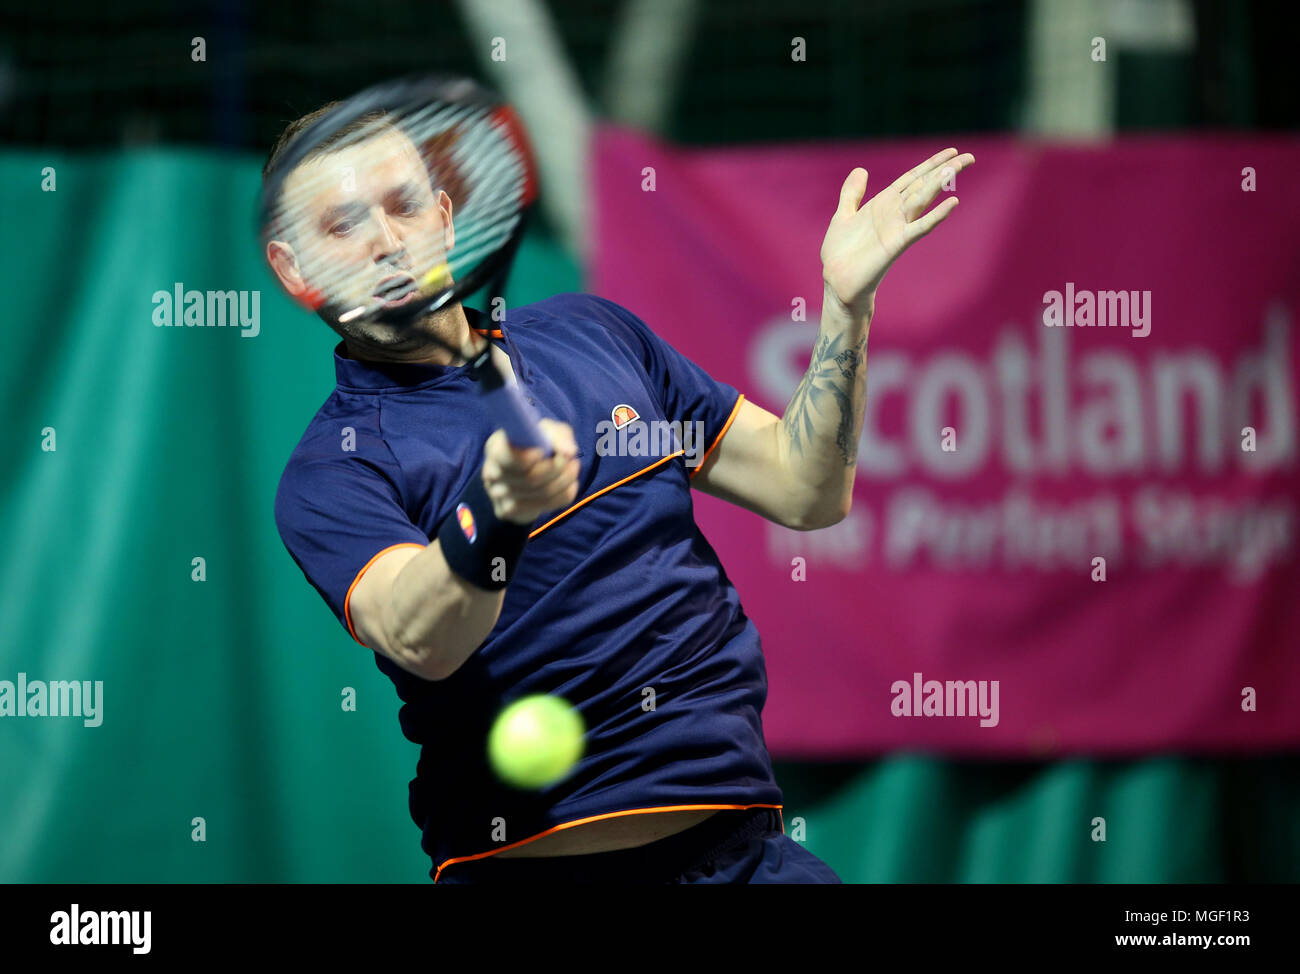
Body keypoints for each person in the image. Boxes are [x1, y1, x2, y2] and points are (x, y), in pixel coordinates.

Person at [267, 99, 973, 883]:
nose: (386, 242)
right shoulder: (333, 468)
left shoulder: (597, 335)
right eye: (342, 226)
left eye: (402, 207)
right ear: (294, 270)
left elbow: (805, 490)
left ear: (443, 216)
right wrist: (493, 516)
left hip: (743, 858)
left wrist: (845, 308)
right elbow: (419, 637)